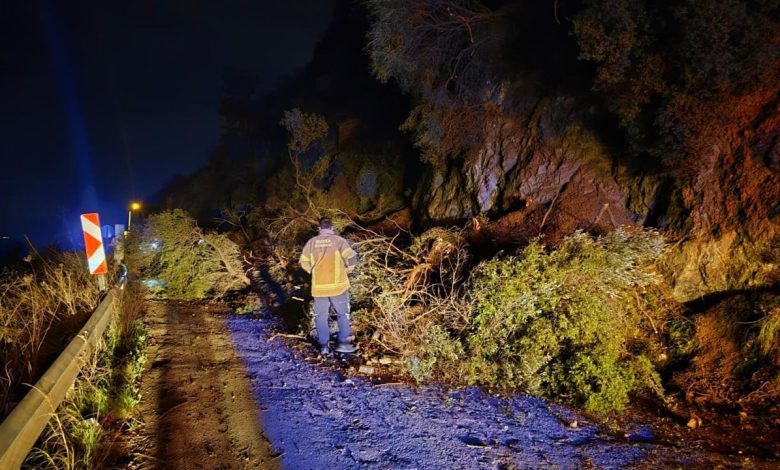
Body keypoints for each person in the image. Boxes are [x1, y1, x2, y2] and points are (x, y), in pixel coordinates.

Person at [299, 218, 358, 354]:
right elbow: (352, 257)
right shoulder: (339, 241)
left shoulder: (311, 243)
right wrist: (348, 270)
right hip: (339, 288)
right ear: (332, 228)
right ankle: (343, 344)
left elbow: (304, 262)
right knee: (343, 315)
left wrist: (313, 271)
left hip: (320, 289)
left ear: (319, 229)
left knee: (321, 317)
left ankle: (324, 346)